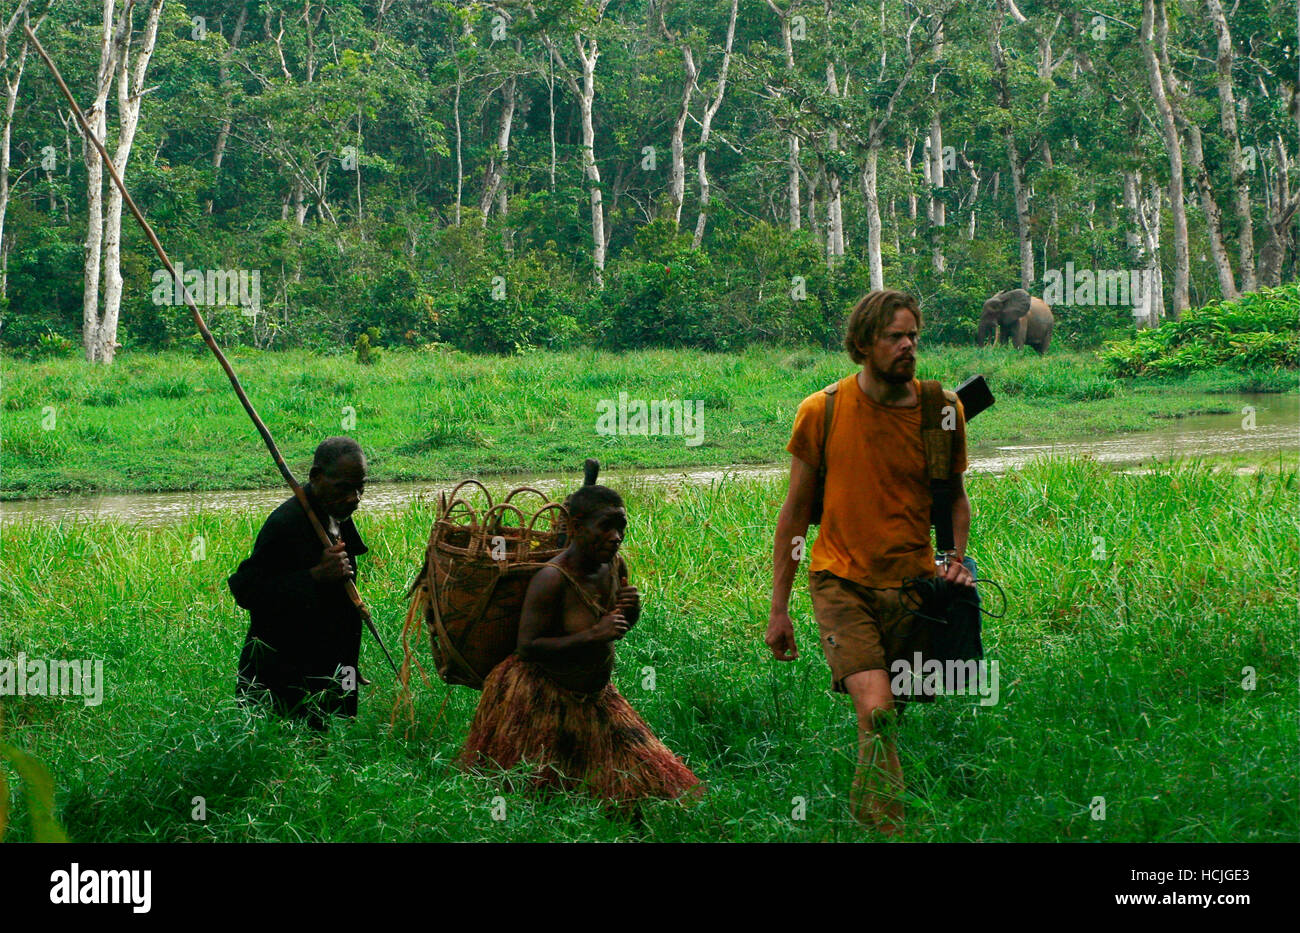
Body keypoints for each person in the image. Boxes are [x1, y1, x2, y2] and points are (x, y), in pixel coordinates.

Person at [765, 289, 975, 834]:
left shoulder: (942, 409)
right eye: (894, 337)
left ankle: (863, 821)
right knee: (877, 710)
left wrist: (956, 559)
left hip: (914, 587)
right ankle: (893, 829)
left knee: (886, 717)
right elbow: (793, 515)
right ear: (862, 344)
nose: (908, 347)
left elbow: (952, 495)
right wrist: (779, 607)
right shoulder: (823, 410)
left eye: (913, 336)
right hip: (841, 581)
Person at [459, 484, 701, 803]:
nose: (616, 536)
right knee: (537, 792)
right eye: (606, 526)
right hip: (539, 696)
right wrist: (593, 635)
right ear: (576, 528)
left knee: (651, 788)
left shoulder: (615, 567)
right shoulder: (552, 579)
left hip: (596, 696)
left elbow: (615, 629)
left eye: (621, 527)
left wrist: (631, 614)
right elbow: (527, 647)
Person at [229, 437, 370, 731]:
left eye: (361, 487)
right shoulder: (286, 524)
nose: (354, 497)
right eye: (343, 487)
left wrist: (349, 667)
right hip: (283, 677)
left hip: (331, 671)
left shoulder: (336, 515)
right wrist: (314, 576)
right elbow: (245, 589)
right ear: (316, 478)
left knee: (335, 755)